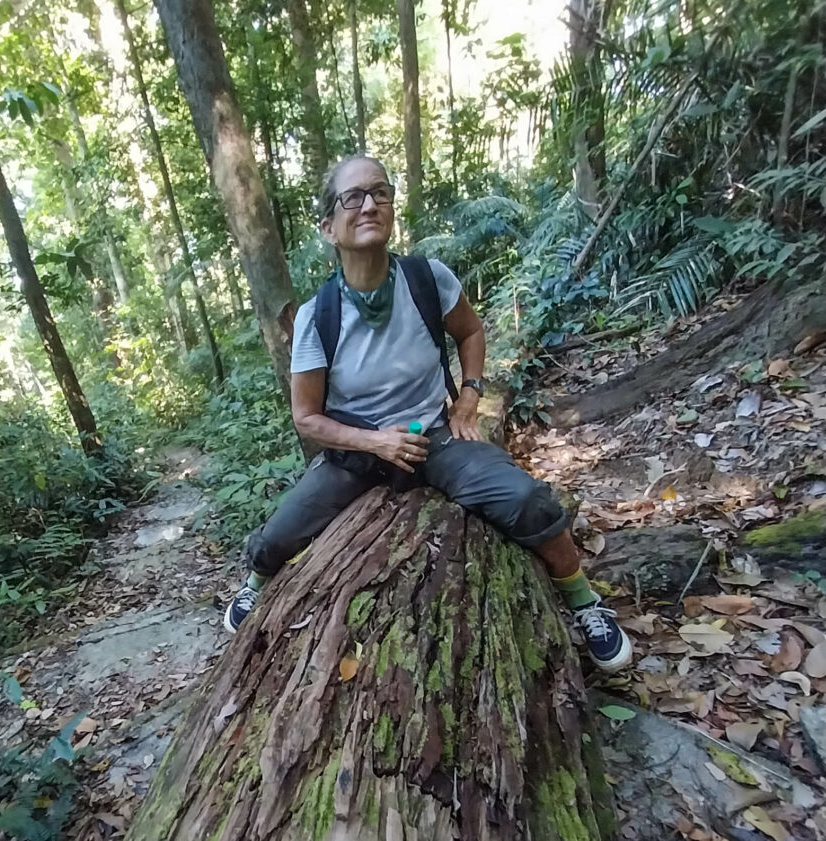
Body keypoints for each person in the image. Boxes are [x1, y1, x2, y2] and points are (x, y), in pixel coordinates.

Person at [223, 155, 631, 672]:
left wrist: (469, 395)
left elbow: (471, 331)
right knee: (280, 534)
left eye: (380, 192)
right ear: (328, 226)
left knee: (526, 499)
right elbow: (306, 418)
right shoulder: (316, 316)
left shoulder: (426, 279)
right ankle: (254, 583)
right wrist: (375, 443)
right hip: (356, 448)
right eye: (353, 197)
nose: (370, 204)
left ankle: (584, 602)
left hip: (431, 431)